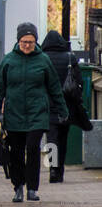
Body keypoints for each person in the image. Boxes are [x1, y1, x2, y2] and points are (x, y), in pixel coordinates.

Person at [0, 23, 68, 203]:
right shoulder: (9, 60)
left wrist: (62, 109)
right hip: (14, 113)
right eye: (24, 41)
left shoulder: (43, 60)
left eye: (31, 42)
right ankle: (18, 186)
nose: (27, 45)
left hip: (37, 113)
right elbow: (0, 88)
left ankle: (32, 188)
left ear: (36, 41)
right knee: (16, 151)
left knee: (33, 148)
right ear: (18, 41)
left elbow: (54, 87)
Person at [40, 30, 80, 183]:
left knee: (51, 138)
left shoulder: (42, 58)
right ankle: (60, 169)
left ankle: (52, 169)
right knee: (63, 138)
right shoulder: (70, 57)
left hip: (48, 104)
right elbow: (78, 79)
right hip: (66, 104)